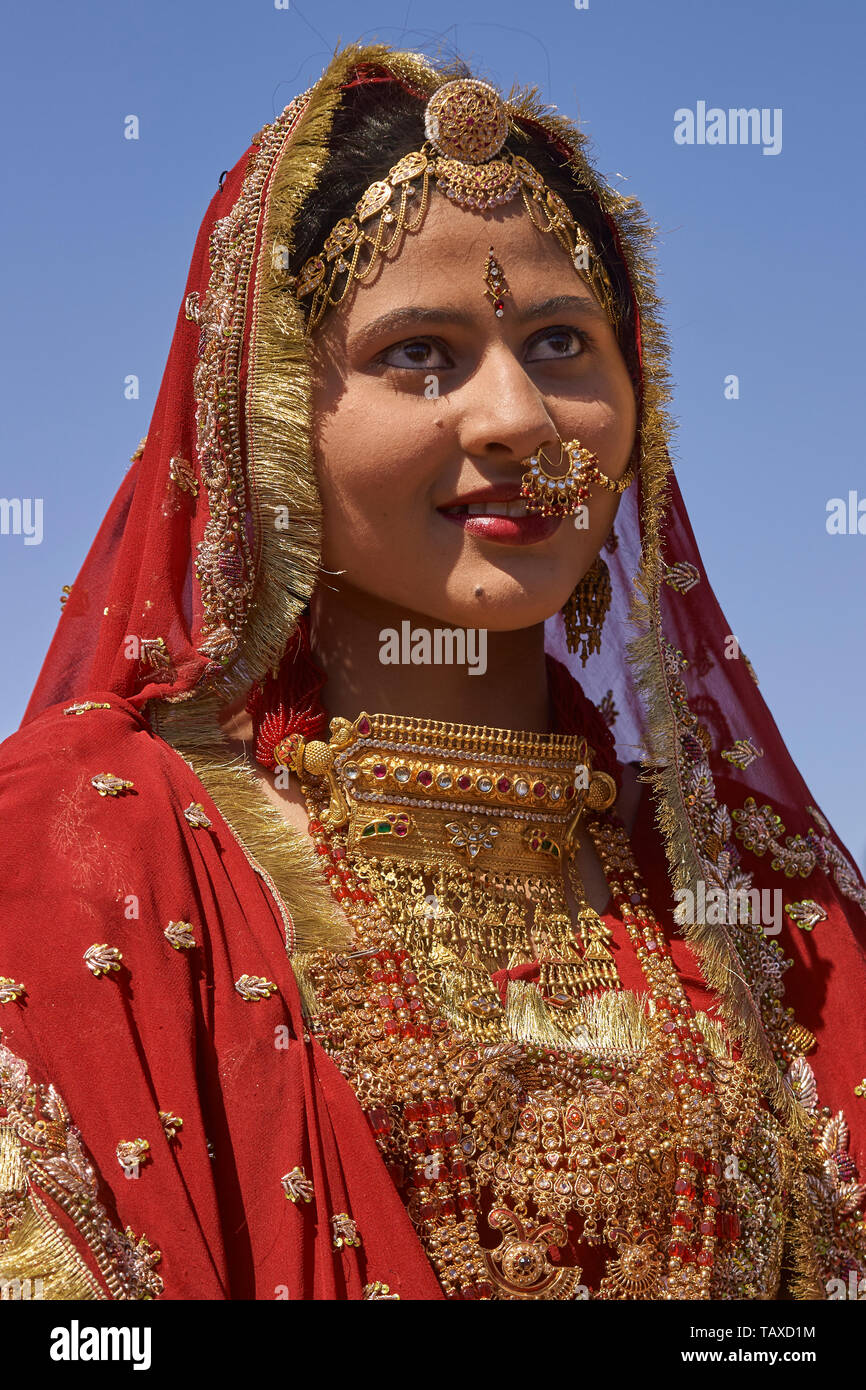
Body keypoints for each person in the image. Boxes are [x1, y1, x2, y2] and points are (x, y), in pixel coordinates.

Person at [1, 42, 864, 1302]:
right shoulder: (86, 851)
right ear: (272, 414)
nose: (515, 417)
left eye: (564, 341)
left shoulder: (756, 897)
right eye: (419, 354)